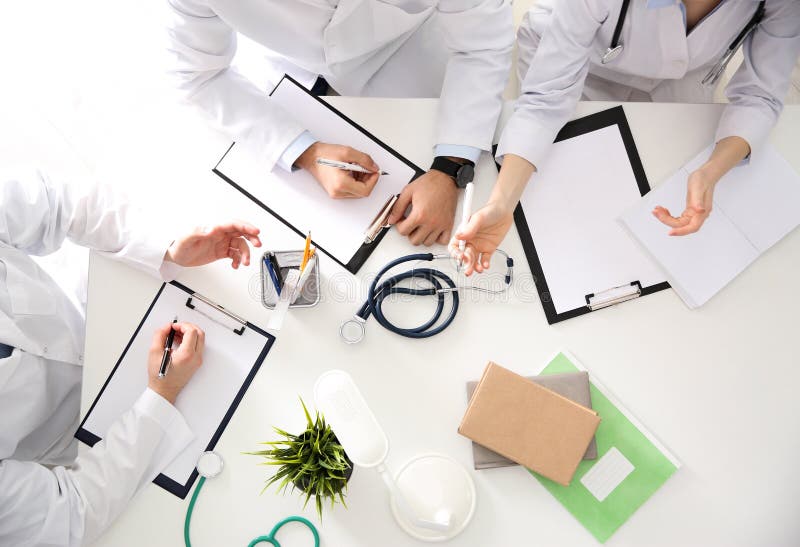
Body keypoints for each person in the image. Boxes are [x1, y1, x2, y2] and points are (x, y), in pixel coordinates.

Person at [0, 170, 262, 546]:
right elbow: (71, 515)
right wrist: (161, 395)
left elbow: (57, 202)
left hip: (105, 311)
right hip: (94, 443)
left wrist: (166, 247)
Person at [453, 0, 800, 274]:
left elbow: (761, 95)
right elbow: (546, 100)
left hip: (678, 80)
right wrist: (501, 204)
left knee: (654, 182)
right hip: (585, 65)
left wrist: (712, 170)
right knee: (575, 188)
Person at [165, 0, 513, 246]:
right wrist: (303, 151)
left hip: (415, 48)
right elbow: (198, 77)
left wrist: (451, 167)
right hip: (300, 70)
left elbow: (482, 47)